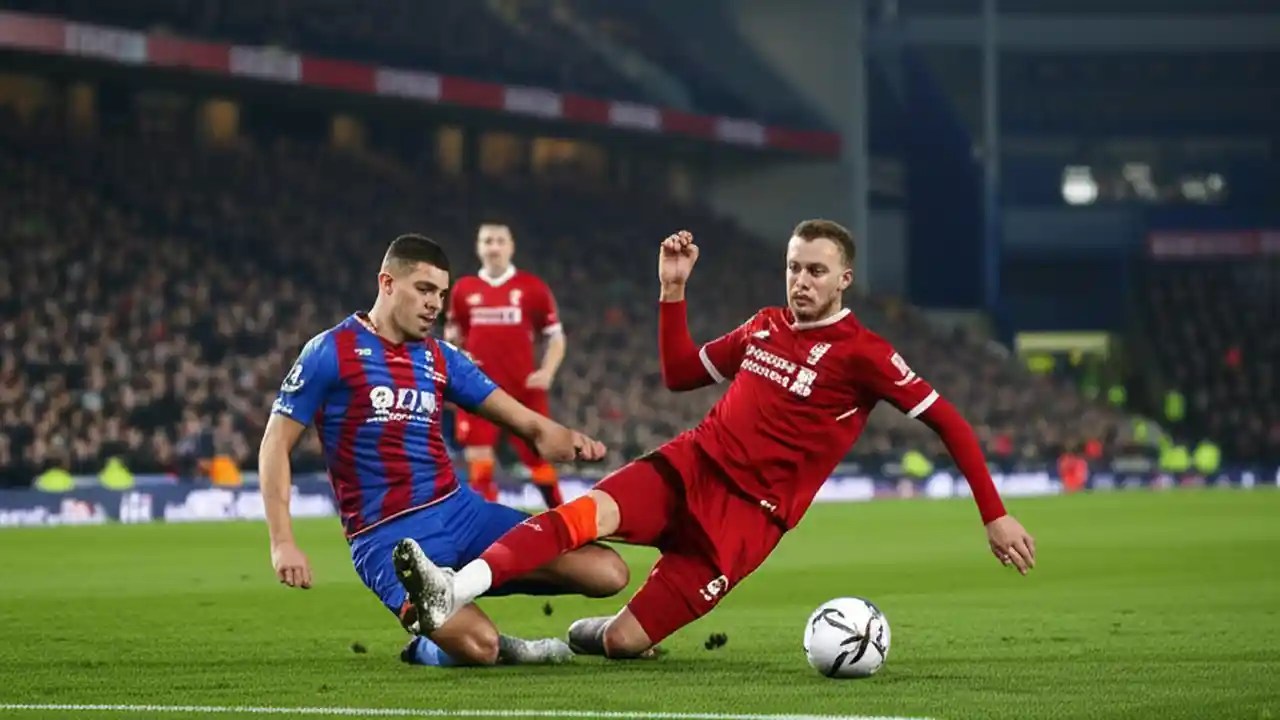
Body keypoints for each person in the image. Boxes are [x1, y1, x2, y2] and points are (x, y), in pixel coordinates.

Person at [396, 221, 1038, 659]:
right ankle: (453, 588)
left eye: (816, 271)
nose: (801, 281)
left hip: (744, 525)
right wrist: (673, 290)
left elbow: (948, 420)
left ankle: (581, 637)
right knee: (577, 518)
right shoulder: (763, 328)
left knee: (623, 644)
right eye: (793, 268)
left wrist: (995, 514)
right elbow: (680, 375)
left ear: (844, 279)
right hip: (689, 468)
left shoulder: (863, 355)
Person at [258, 234, 628, 667]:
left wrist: (556, 435)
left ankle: (591, 628)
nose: (436, 303)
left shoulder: (440, 357)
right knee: (480, 648)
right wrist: (283, 542)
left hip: (462, 514)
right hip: (387, 536)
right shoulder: (329, 352)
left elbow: (518, 416)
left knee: (608, 572)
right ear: (388, 283)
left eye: (442, 293)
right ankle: (425, 644)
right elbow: (274, 445)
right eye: (424, 289)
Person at [446, 222, 566, 508]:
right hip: (478, 389)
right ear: (478, 247)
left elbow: (556, 337)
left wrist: (547, 371)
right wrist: (458, 356)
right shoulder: (464, 289)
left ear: (511, 246)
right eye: (487, 241)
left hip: (523, 388)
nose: (494, 247)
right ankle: (491, 530)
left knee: (539, 459)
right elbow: (454, 337)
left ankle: (563, 519)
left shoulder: (532, 288)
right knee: (479, 459)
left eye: (500, 241)